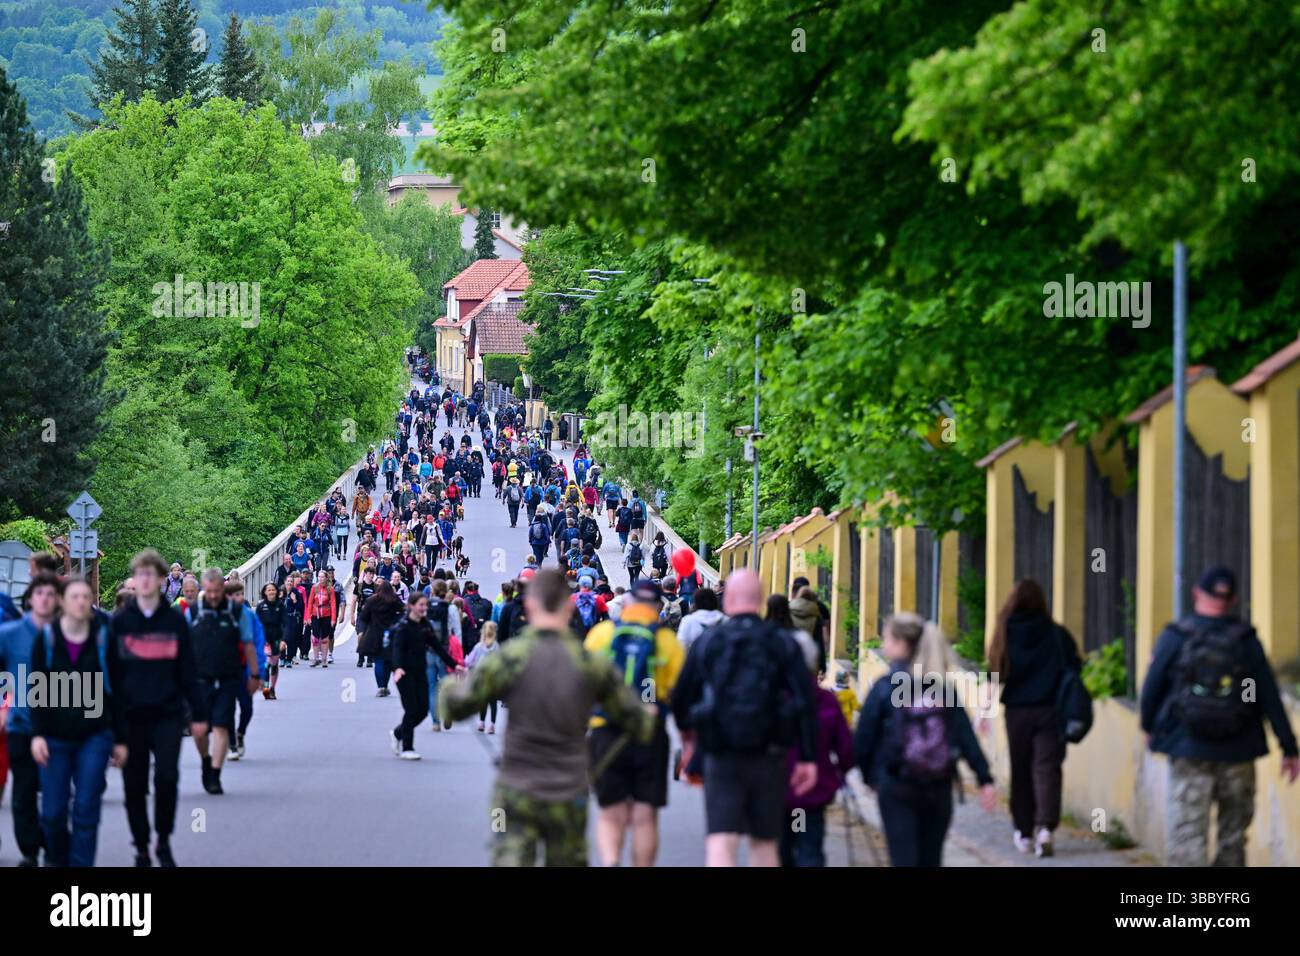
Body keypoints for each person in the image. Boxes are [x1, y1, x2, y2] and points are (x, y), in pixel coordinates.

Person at [440, 568, 656, 866]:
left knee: (510, 858)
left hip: (517, 788)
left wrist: (449, 684)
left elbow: (455, 706)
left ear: (529, 606)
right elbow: (640, 723)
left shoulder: (512, 657)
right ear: (569, 606)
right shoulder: (589, 663)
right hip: (569, 790)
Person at [1139, 565, 1300, 866]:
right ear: (1234, 600)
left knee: (1187, 835)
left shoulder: (1176, 636)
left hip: (1187, 748)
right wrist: (1288, 747)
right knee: (1233, 836)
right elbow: (1265, 694)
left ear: (1197, 593)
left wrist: (1148, 727)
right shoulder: (1246, 642)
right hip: (1239, 749)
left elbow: (1152, 686)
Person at [671, 569, 819, 867]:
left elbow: (681, 698)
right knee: (764, 844)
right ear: (760, 600)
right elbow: (805, 701)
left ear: (728, 601)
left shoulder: (710, 642)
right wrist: (806, 756)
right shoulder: (782, 643)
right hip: (770, 753)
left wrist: (689, 739)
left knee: (721, 841)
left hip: (720, 752)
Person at [855, 612, 996, 867]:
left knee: (904, 858)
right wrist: (984, 778)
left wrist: (870, 778)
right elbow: (965, 735)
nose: (884, 645)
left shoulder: (886, 686)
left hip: (897, 784)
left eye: (887, 638)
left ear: (901, 644)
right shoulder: (941, 689)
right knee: (931, 859)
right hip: (938, 786)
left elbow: (864, 738)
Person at [583, 580, 684, 866]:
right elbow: (682, 694)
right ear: (657, 607)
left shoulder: (601, 635)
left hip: (605, 730)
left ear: (626, 604)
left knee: (610, 813)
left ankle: (611, 861)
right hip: (649, 733)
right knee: (644, 816)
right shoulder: (667, 642)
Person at [27, 576, 125, 867]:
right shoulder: (46, 639)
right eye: (74, 597)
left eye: (86, 596)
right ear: (62, 602)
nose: (81, 602)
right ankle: (57, 860)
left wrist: (121, 739)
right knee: (53, 812)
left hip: (95, 735)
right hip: (54, 737)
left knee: (86, 807)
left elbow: (118, 691)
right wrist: (37, 735)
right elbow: (35, 691)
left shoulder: (104, 637)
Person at [986, 578, 1082, 857]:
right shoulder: (1056, 633)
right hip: (1050, 710)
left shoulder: (1005, 632)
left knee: (1021, 768)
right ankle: (1046, 828)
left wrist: (984, 709)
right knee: (1046, 768)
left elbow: (995, 671)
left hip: (1017, 713)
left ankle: (1024, 831)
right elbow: (1074, 667)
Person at [0, 571, 60, 866]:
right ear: (30, 599)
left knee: (54, 793)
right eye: (40, 594)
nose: (45, 599)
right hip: (22, 724)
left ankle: (52, 845)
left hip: (60, 726)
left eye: (51, 594)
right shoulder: (9, 635)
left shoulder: (69, 633)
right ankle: (29, 850)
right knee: (23, 792)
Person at [186, 568, 261, 795]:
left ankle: (215, 776)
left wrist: (255, 676)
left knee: (220, 726)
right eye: (208, 591)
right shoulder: (193, 612)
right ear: (202, 590)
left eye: (217, 591)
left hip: (229, 676)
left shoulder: (237, 612)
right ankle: (206, 761)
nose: (213, 595)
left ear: (223, 589)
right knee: (199, 731)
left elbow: (248, 644)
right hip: (200, 679)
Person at [782, 633, 853, 867]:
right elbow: (846, 748)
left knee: (781, 850)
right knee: (808, 848)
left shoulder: (770, 698)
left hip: (777, 792)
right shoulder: (825, 700)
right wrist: (844, 769)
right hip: (809, 794)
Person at [390, 591, 461, 760]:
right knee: (411, 709)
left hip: (420, 671)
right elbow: (397, 649)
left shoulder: (425, 625)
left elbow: (437, 647)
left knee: (422, 711)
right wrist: (398, 668)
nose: (424, 608)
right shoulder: (403, 626)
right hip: (404, 674)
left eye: (425, 605)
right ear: (411, 606)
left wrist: (455, 665)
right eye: (421, 605)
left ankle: (398, 733)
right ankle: (408, 747)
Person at [358, 580, 404, 697]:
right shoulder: (394, 600)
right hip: (390, 633)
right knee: (387, 661)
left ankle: (381, 686)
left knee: (378, 660)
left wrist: (369, 624)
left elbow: (363, 616)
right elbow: (404, 612)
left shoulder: (372, 600)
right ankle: (385, 685)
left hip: (375, 633)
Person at [466, 621, 501, 733]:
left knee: (483, 702)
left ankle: (481, 723)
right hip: (493, 677)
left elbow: (469, 661)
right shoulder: (496, 646)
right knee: (493, 702)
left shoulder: (478, 646)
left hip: (481, 677)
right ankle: (492, 725)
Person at [255, 582, 286, 700]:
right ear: (265, 592)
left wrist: (284, 640)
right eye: (269, 590)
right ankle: (266, 688)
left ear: (276, 592)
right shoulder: (261, 606)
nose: (271, 592)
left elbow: (285, 624)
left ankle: (272, 688)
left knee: (274, 664)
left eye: (273, 590)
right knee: (266, 664)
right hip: (264, 640)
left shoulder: (280, 605)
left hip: (277, 639)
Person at [677, 588, 725, 653]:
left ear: (696, 603)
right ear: (715, 601)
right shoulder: (726, 620)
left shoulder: (688, 621)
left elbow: (681, 647)